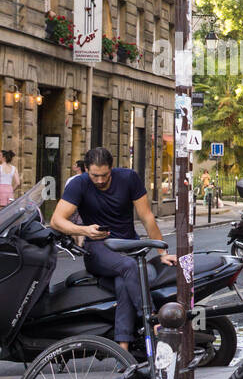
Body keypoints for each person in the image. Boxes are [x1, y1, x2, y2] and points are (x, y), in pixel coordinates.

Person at [49, 147, 177, 349]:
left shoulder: (129, 178)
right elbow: (56, 221)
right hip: (97, 249)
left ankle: (122, 348)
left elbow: (147, 217)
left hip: (128, 246)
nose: (99, 180)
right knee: (129, 268)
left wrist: (162, 252)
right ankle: (152, 318)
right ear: (86, 170)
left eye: (105, 175)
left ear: (112, 168)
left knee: (123, 283)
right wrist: (84, 231)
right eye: (95, 176)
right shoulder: (78, 184)